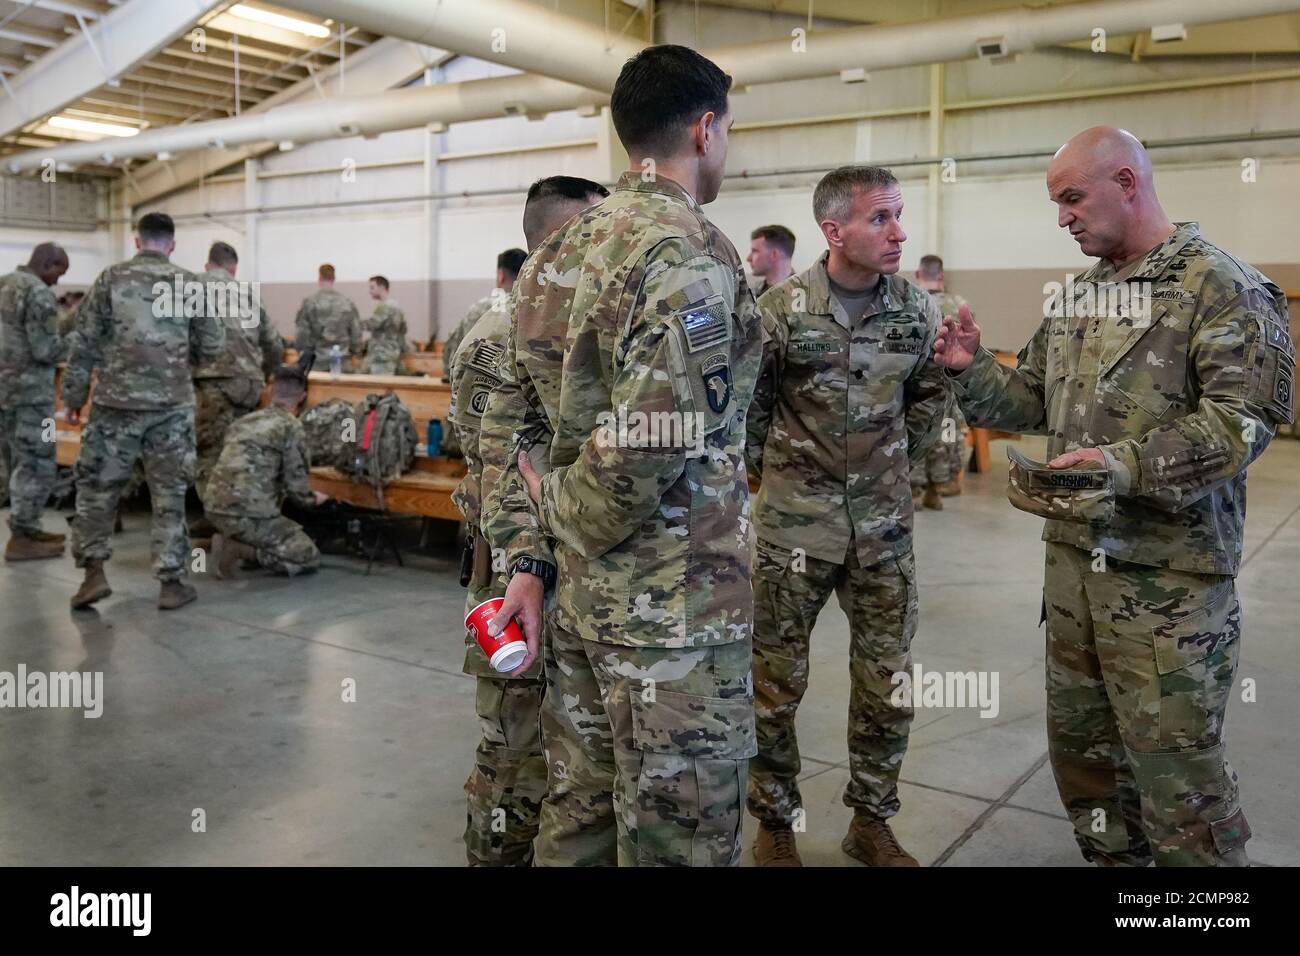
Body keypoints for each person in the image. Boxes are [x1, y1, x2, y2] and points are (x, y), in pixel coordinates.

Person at [933, 126, 1295, 867]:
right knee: (1089, 772)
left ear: (1128, 182)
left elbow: (1243, 423)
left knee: (1179, 784)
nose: (1061, 217)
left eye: (1071, 198)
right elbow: (1029, 397)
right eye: (1056, 203)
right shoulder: (1081, 297)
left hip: (1168, 588)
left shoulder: (1223, 287)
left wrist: (1120, 464)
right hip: (1073, 585)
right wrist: (971, 371)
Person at [481, 44, 761, 867]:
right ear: (705, 129)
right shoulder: (685, 251)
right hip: (674, 614)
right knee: (680, 831)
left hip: (583, 606)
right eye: (729, 129)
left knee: (582, 815)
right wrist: (564, 513)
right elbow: (653, 439)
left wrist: (534, 556)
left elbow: (519, 427)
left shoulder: (552, 260)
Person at [744, 167, 951, 867]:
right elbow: (751, 412)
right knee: (773, 686)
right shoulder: (778, 311)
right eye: (880, 220)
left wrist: (886, 468)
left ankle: (871, 819)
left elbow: (929, 398)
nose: (898, 234)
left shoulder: (915, 311)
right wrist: (786, 477)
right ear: (835, 232)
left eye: (899, 217)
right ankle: (774, 823)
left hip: (884, 532)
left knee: (888, 686)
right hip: (793, 532)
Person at [448, 174, 608, 867]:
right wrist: (530, 562)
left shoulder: (581, 326)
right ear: (554, 244)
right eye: (595, 235)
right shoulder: (501, 336)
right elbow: (500, 472)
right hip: (518, 570)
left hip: (577, 570)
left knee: (577, 750)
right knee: (518, 748)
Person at [64, 212, 225, 611]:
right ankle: (171, 583)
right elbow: (212, 346)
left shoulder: (111, 278)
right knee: (169, 493)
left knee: (98, 488)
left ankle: (93, 575)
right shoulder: (191, 283)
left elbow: (82, 343)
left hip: (114, 406)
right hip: (171, 407)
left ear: (137, 242)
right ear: (171, 244)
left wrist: (73, 398)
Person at [192, 241, 283, 538]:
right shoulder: (247, 293)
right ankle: (241, 517)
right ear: (233, 268)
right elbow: (274, 344)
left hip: (211, 382)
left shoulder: (193, 287)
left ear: (208, 265)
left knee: (208, 452)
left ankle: (222, 523)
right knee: (241, 450)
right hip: (249, 384)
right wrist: (264, 375)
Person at [208, 364, 327, 578]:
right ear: (303, 398)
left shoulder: (244, 421)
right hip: (250, 513)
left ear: (271, 392)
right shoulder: (291, 426)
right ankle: (242, 550)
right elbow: (296, 488)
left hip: (214, 507)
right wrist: (314, 499)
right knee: (307, 555)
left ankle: (237, 541)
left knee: (268, 524)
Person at [0, 242, 70, 561]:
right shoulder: (39, 293)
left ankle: (26, 527)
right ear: (46, 263)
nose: (58, 280)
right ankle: (22, 536)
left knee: (17, 461)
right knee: (40, 461)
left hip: (5, 396)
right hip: (34, 401)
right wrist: (80, 341)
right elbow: (46, 351)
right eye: (58, 271)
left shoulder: (5, 284)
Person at [911, 254, 972, 509]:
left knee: (915, 431)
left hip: (916, 384)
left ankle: (913, 490)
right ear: (942, 275)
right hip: (948, 382)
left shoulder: (910, 302)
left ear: (918, 274)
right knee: (945, 434)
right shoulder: (959, 305)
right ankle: (938, 488)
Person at [441, 248, 526, 384]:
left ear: (500, 275)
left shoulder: (480, 310)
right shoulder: (535, 309)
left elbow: (452, 352)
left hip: (475, 390)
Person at [294, 263, 360, 363]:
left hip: (316, 360)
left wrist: (301, 352)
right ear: (334, 278)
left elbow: (302, 334)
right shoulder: (347, 303)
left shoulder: (310, 302)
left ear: (319, 277)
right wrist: (354, 352)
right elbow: (356, 332)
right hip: (341, 360)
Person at [359, 275, 407, 375]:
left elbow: (372, 324)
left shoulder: (385, 306)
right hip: (393, 351)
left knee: (379, 386)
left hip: (381, 354)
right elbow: (404, 329)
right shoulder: (397, 306)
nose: (370, 291)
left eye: (372, 287)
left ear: (381, 287)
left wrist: (353, 323)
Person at [747, 224, 796, 298]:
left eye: (755, 251)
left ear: (774, 254)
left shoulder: (807, 293)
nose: (748, 258)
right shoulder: (750, 294)